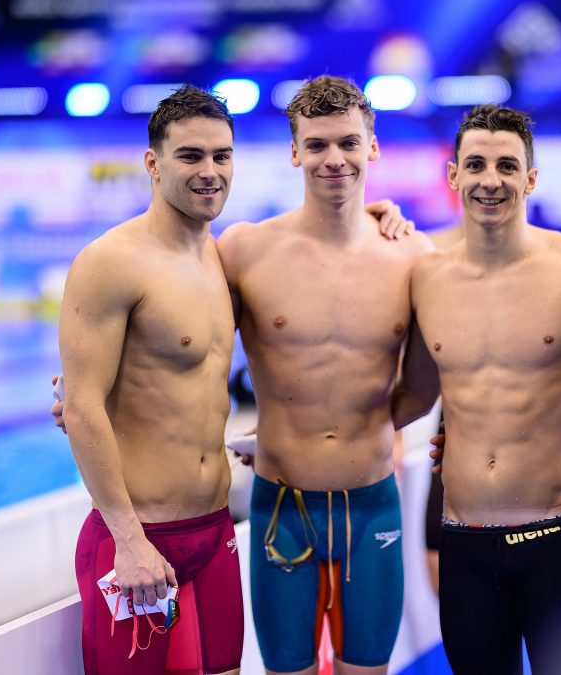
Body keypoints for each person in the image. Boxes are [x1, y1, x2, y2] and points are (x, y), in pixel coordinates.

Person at [216, 76, 437, 675]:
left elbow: (425, 385)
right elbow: (184, 345)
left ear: (374, 146)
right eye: (316, 145)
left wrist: (360, 426)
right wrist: (85, 387)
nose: (333, 158)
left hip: (374, 505)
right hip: (280, 504)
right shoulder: (244, 251)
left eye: (347, 142)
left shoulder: (413, 256)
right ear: (294, 152)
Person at [59, 85, 244, 675]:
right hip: (137, 537)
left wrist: (379, 214)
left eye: (222, 155)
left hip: (215, 531)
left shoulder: (222, 257)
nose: (210, 171)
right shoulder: (111, 261)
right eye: (190, 156)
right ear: (153, 162)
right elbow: (82, 406)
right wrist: (129, 539)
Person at [415, 105, 561, 675]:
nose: (490, 180)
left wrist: (535, 429)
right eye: (475, 165)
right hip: (465, 544)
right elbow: (413, 396)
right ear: (453, 176)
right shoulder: (425, 273)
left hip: (554, 536)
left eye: (506, 165)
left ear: (532, 177)